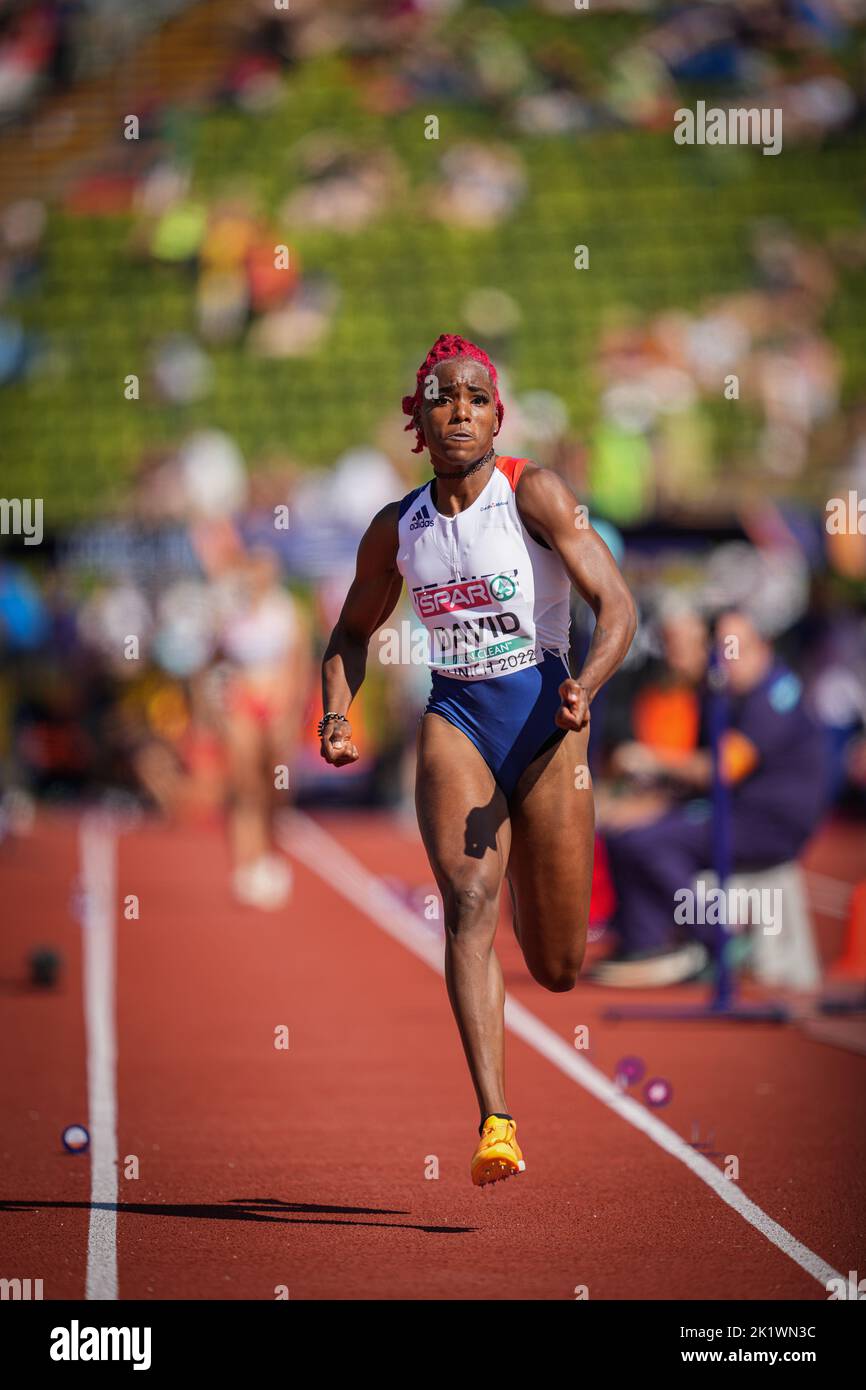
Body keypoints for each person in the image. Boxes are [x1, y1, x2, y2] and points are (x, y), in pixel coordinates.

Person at [319, 333, 636, 1185]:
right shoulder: (398, 528)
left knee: (558, 967)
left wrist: (589, 685)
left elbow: (616, 605)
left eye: (476, 398)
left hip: (546, 713)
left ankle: (540, 871)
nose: (460, 410)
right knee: (465, 902)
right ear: (419, 419)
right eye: (442, 397)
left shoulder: (531, 492)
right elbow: (353, 629)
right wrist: (335, 714)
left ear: (497, 414)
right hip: (456, 711)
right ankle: (497, 1120)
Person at [592, 608, 828, 987]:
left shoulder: (772, 694)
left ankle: (717, 940)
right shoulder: (718, 694)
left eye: (738, 650)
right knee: (624, 834)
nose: (728, 660)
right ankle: (643, 944)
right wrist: (640, 805)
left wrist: (650, 759)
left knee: (648, 842)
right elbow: (696, 779)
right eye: (721, 650)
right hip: (728, 810)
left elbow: (721, 769)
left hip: (769, 821)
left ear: (764, 647)